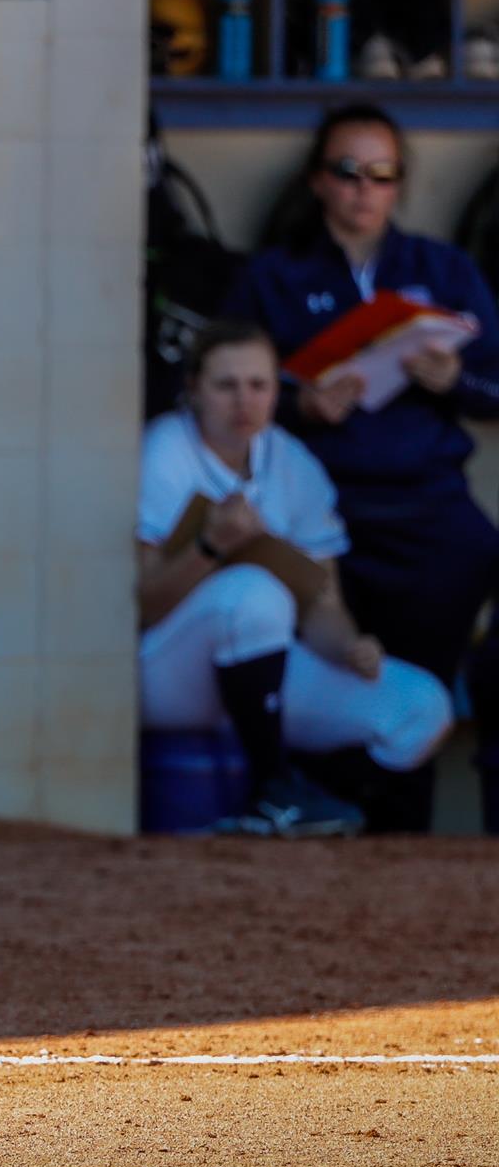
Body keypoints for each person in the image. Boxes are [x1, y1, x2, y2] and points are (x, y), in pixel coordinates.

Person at [223, 103, 499, 834]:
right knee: (317, 671)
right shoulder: (274, 276)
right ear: (318, 179)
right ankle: (311, 821)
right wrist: (298, 401)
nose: (363, 188)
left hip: (426, 510)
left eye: (382, 174)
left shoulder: (443, 270)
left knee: (427, 672)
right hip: (324, 507)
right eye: (347, 171)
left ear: (400, 184)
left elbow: (495, 387)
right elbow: (222, 390)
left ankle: (403, 850)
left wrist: (455, 381)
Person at [138, 320, 452, 837]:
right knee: (254, 595)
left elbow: (320, 600)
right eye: (225, 385)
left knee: (419, 706)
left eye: (259, 385)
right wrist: (210, 546)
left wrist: (350, 646)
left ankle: (305, 793)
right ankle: (271, 788)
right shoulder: (166, 449)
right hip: (167, 672)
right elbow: (145, 605)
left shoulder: (291, 461)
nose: (244, 400)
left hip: (264, 669)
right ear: (192, 388)